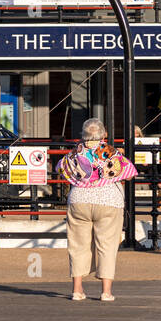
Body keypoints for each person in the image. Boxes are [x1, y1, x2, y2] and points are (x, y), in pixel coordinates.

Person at [56, 117, 137, 301]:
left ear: (83, 135)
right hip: (108, 201)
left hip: (79, 200)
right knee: (107, 246)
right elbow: (130, 172)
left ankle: (77, 290)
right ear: (104, 134)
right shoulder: (109, 151)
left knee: (77, 245)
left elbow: (60, 168)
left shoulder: (76, 152)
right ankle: (106, 292)